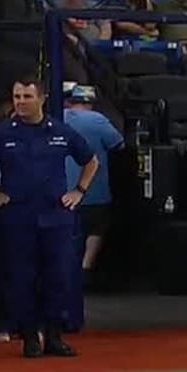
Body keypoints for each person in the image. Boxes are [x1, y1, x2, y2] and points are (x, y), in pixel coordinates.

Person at [0, 78, 98, 358]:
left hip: (55, 216)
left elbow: (90, 161)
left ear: (41, 99)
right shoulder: (1, 133)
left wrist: (79, 191)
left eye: (27, 96)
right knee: (22, 278)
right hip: (18, 216)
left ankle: (54, 336)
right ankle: (30, 337)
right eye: (17, 96)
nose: (20, 102)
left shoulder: (61, 131)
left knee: (58, 277)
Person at [61, 85, 123, 285]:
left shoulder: (56, 118)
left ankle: (67, 269)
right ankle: (86, 268)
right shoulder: (98, 119)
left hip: (64, 188)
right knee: (96, 228)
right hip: (95, 190)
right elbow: (118, 144)